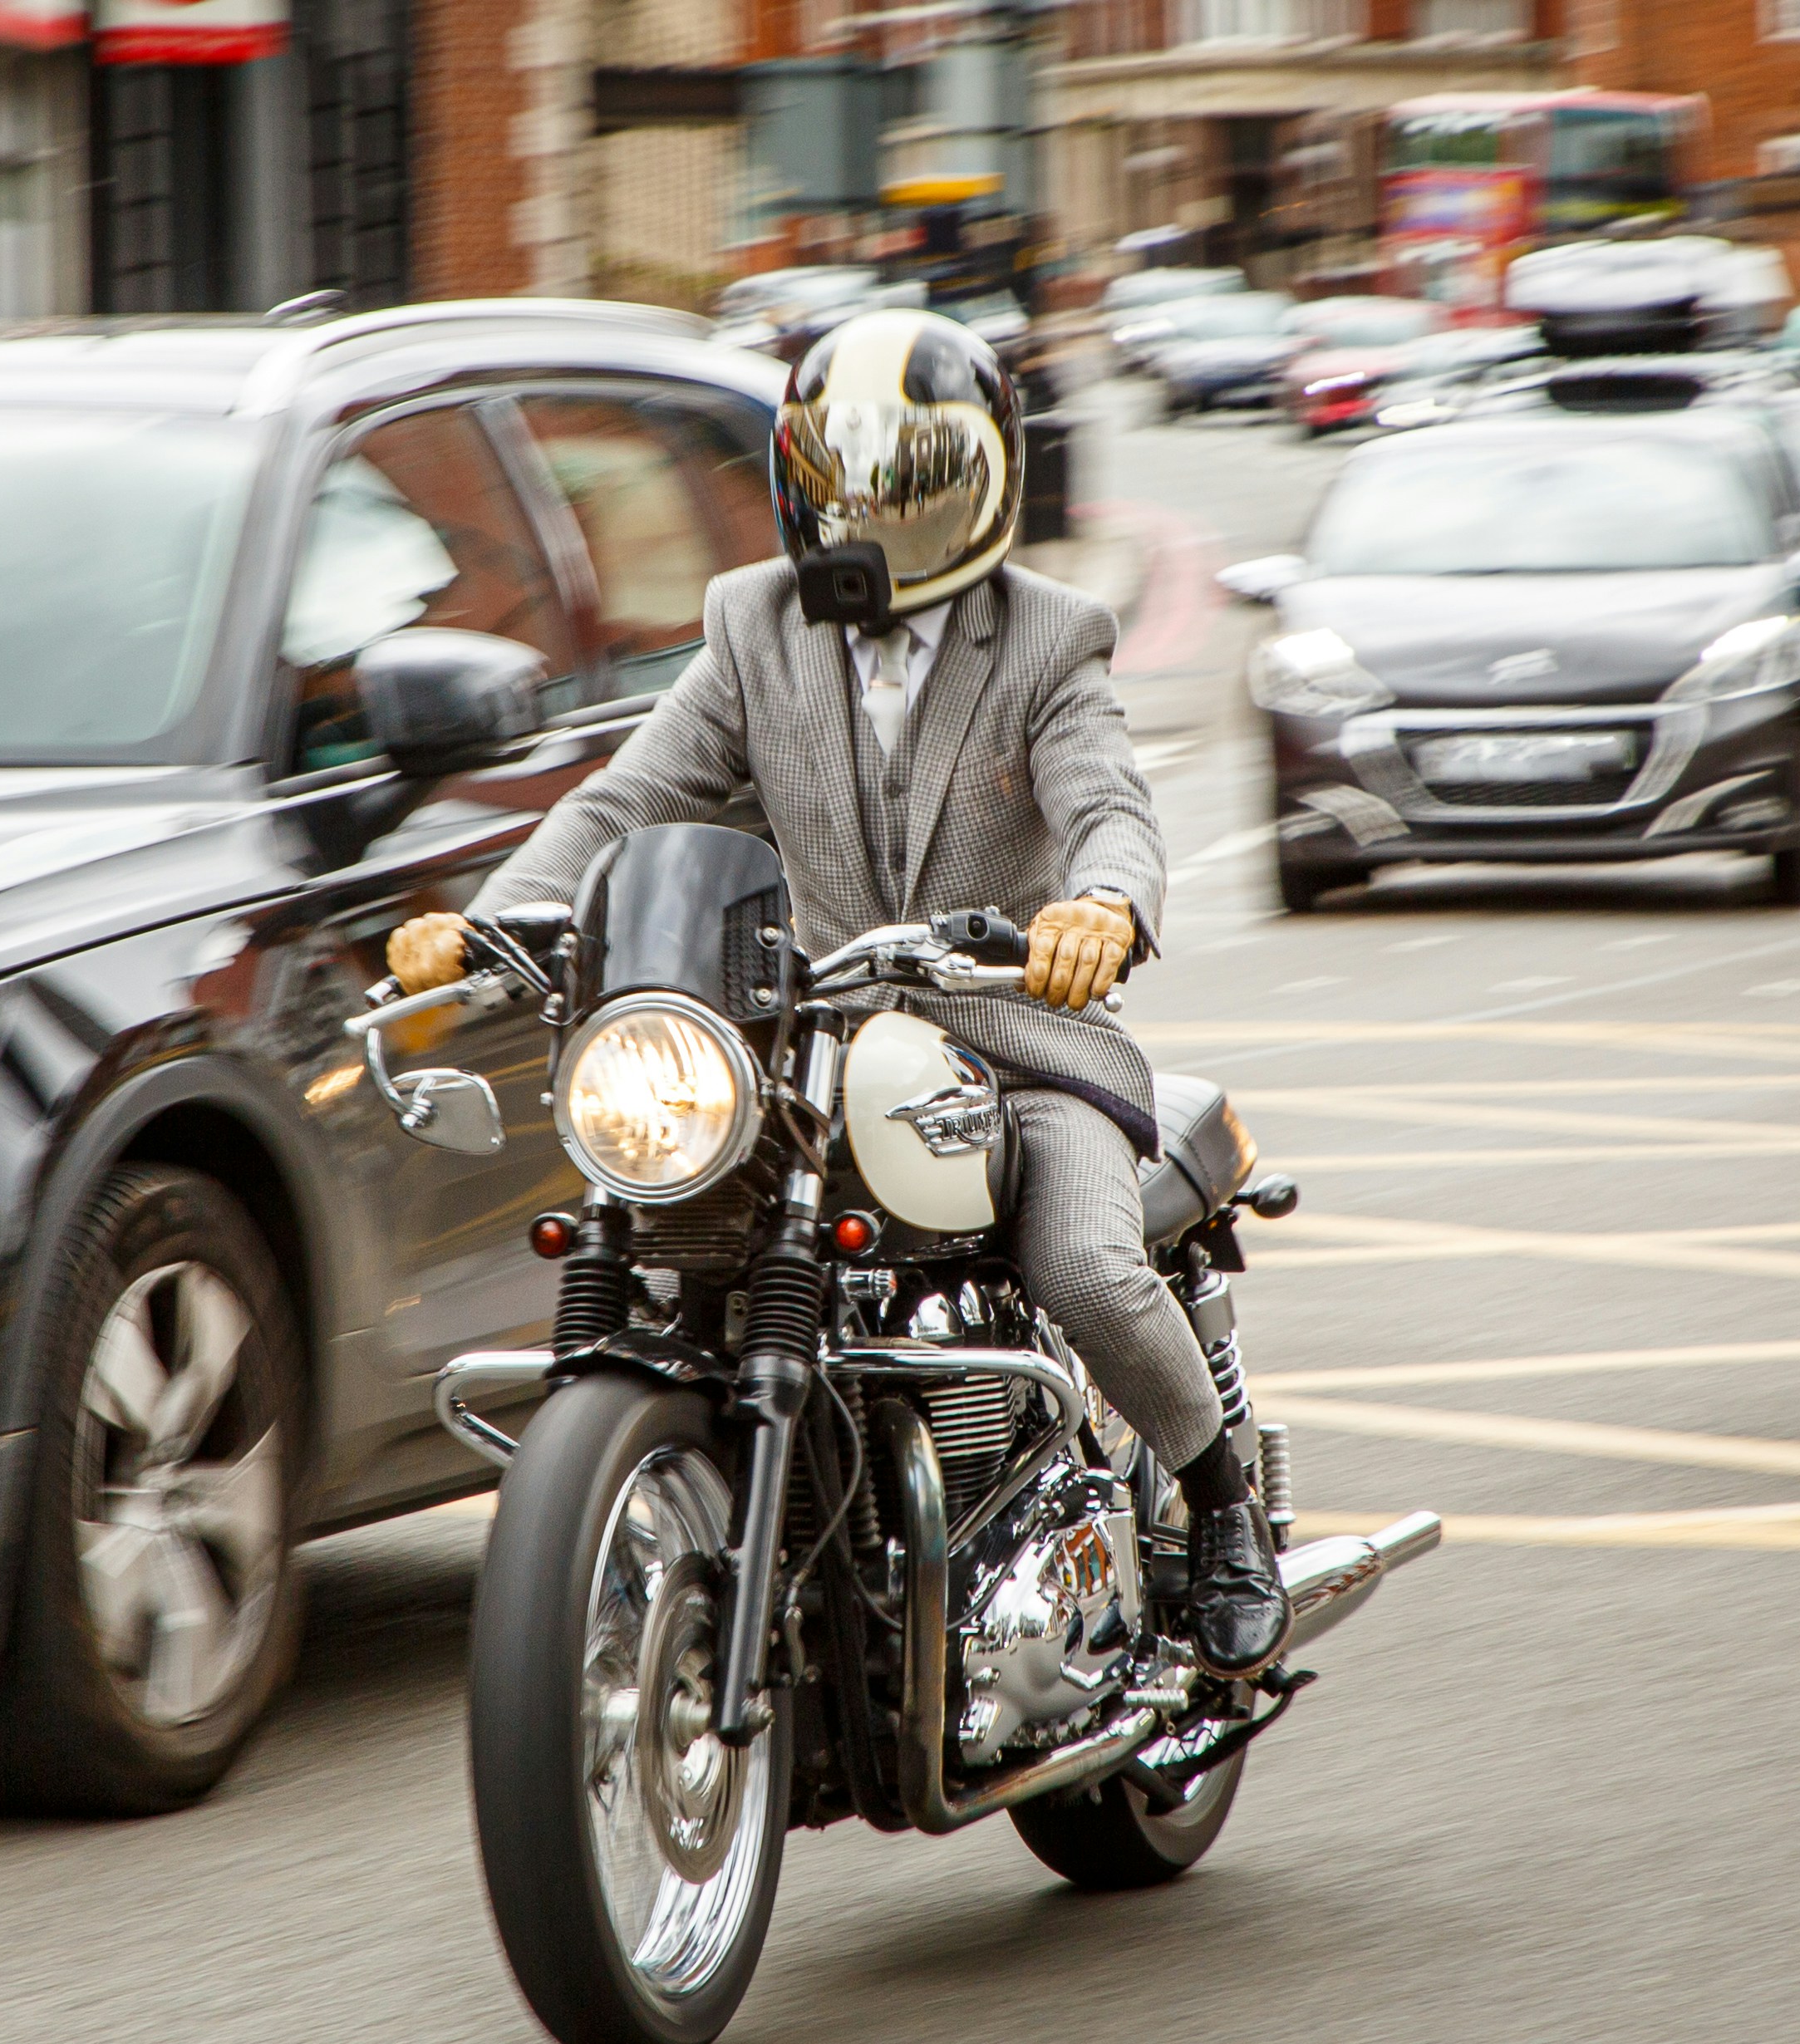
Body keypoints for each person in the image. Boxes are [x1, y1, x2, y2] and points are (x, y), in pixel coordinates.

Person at [386, 307, 1289, 1675]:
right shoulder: (755, 625)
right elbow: (630, 797)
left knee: (1085, 1268)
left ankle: (1222, 1510)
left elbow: (1109, 801)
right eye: (838, 467)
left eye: (904, 472)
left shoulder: (1049, 638)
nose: (866, 500)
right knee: (672, 1221)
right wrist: (491, 918)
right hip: (815, 1044)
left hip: (1019, 1042)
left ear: (980, 477)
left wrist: (1104, 909)